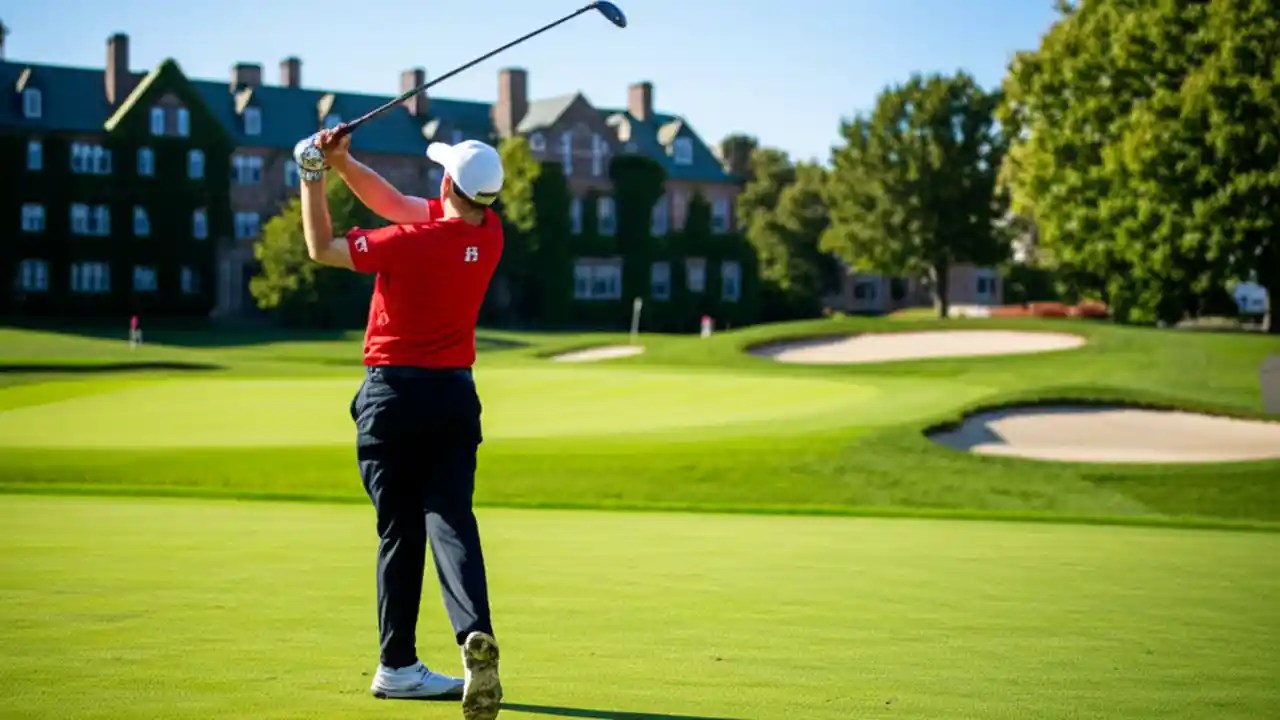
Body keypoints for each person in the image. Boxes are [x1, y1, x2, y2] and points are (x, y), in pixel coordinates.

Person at [298, 127, 505, 720]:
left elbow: (321, 247)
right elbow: (394, 203)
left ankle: (397, 665)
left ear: (445, 183)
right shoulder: (488, 233)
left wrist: (311, 176)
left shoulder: (408, 243)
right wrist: (342, 163)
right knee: (450, 518)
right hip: (454, 399)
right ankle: (474, 633)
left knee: (399, 532)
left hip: (392, 398)